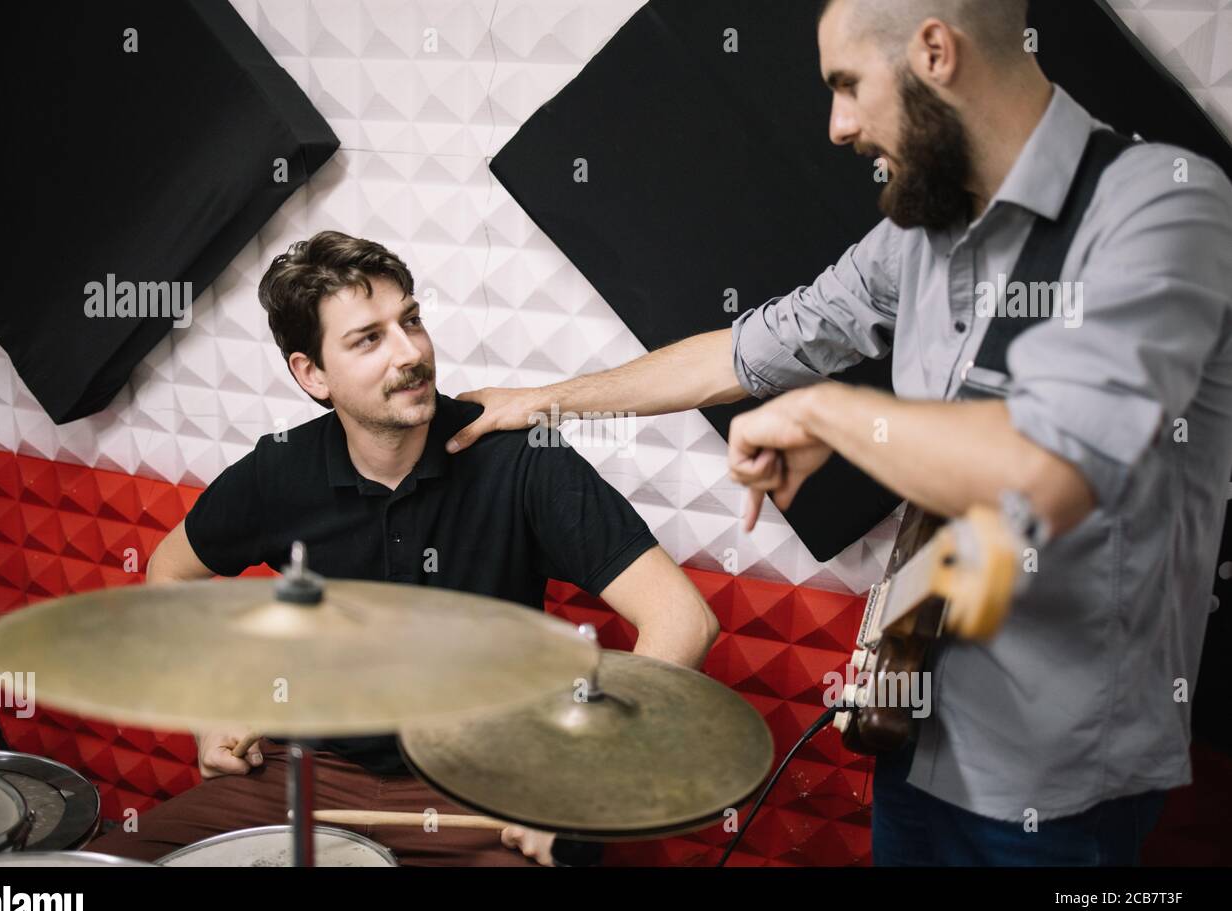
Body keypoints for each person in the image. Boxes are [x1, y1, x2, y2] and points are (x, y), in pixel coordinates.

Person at [441, 0, 1232, 865]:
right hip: (909, 728)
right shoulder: (918, 237)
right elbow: (743, 354)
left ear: (935, 51)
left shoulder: (1162, 207)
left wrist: (830, 412)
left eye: (847, 86)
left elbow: (1049, 471)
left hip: (1062, 784)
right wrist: (540, 402)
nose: (836, 125)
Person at [87, 231, 718, 866]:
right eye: (369, 338)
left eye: (410, 321)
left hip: (484, 788)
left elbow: (683, 619)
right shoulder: (280, 471)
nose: (410, 352)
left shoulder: (524, 462)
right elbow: (170, 571)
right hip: (304, 775)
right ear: (312, 375)